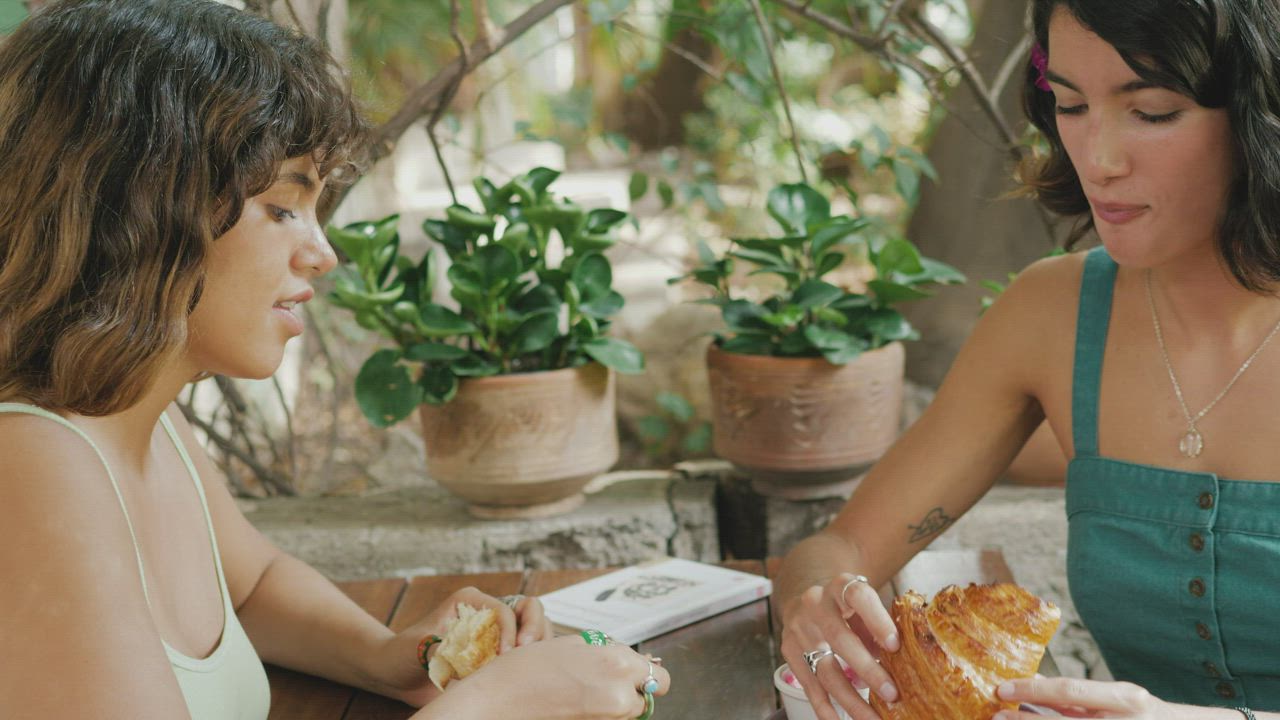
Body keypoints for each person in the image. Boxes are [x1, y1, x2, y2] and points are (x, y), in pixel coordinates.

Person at [0, 2, 669, 719]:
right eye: (284, 207)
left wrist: (391, 658)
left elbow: (251, 588)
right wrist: (502, 702)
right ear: (139, 210)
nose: (322, 252)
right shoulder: (32, 464)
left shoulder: (135, 419)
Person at [774, 1, 1280, 719]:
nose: (1099, 158)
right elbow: (839, 547)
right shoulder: (1053, 314)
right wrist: (815, 608)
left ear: (1262, 111)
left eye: (1155, 111)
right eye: (1070, 104)